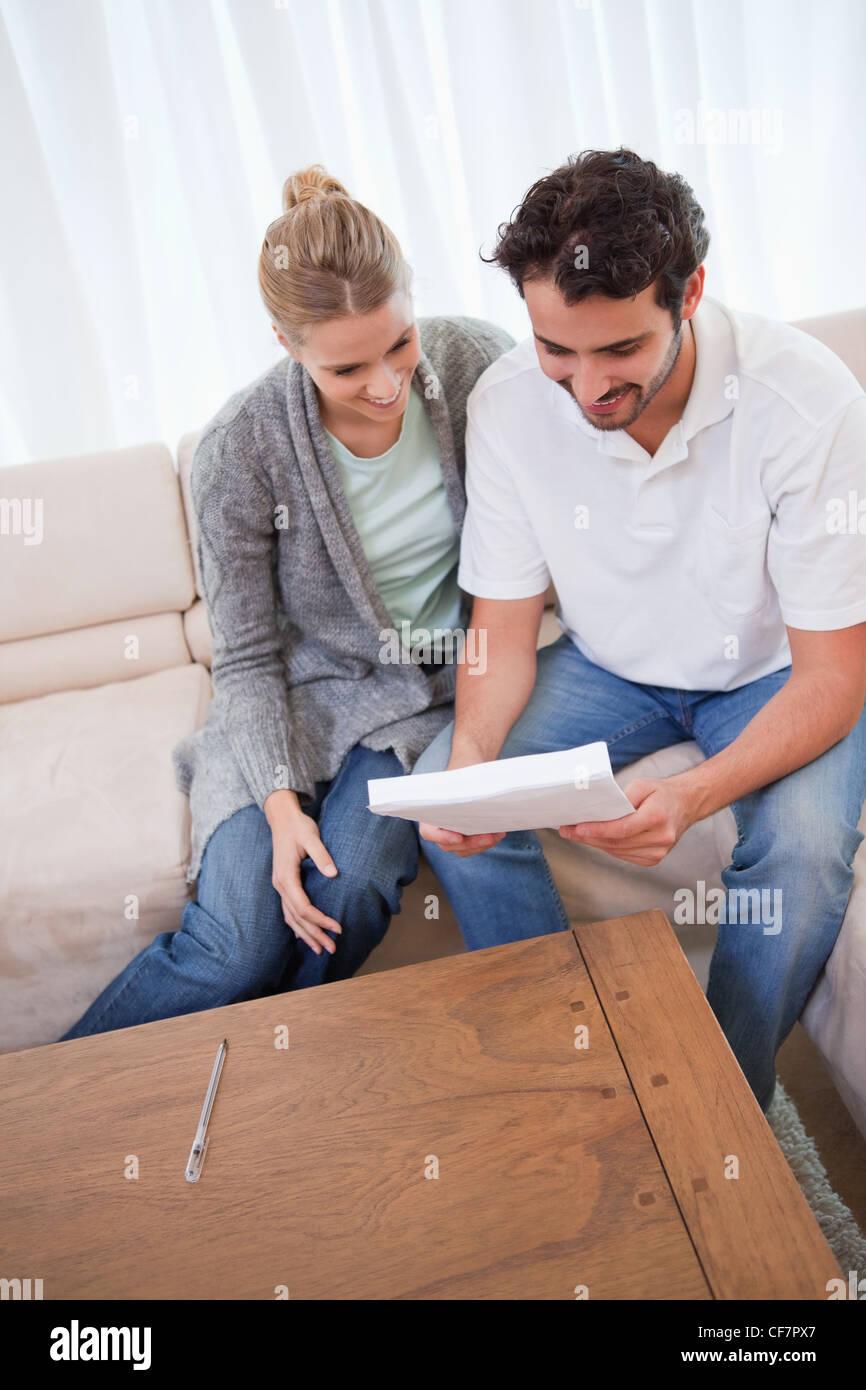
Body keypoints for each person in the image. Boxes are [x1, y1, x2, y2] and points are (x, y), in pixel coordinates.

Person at [414, 147, 866, 1114]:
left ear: (689, 292)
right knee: (451, 804)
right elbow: (501, 622)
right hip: (612, 669)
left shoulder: (807, 403)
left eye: (617, 351)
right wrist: (472, 751)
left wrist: (694, 796)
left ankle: (718, 1101)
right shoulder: (506, 405)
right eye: (556, 350)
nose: (583, 388)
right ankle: (578, 1069)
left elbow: (833, 679)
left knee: (803, 854)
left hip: (774, 677)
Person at [60, 165, 513, 1039]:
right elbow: (246, 656)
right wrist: (278, 806)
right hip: (289, 704)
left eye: (399, 344)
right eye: (347, 366)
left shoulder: (474, 364)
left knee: (346, 891)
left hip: (416, 704)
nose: (385, 384)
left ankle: (275, 1084)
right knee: (235, 945)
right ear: (285, 341)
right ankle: (38, 1119)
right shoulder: (242, 447)